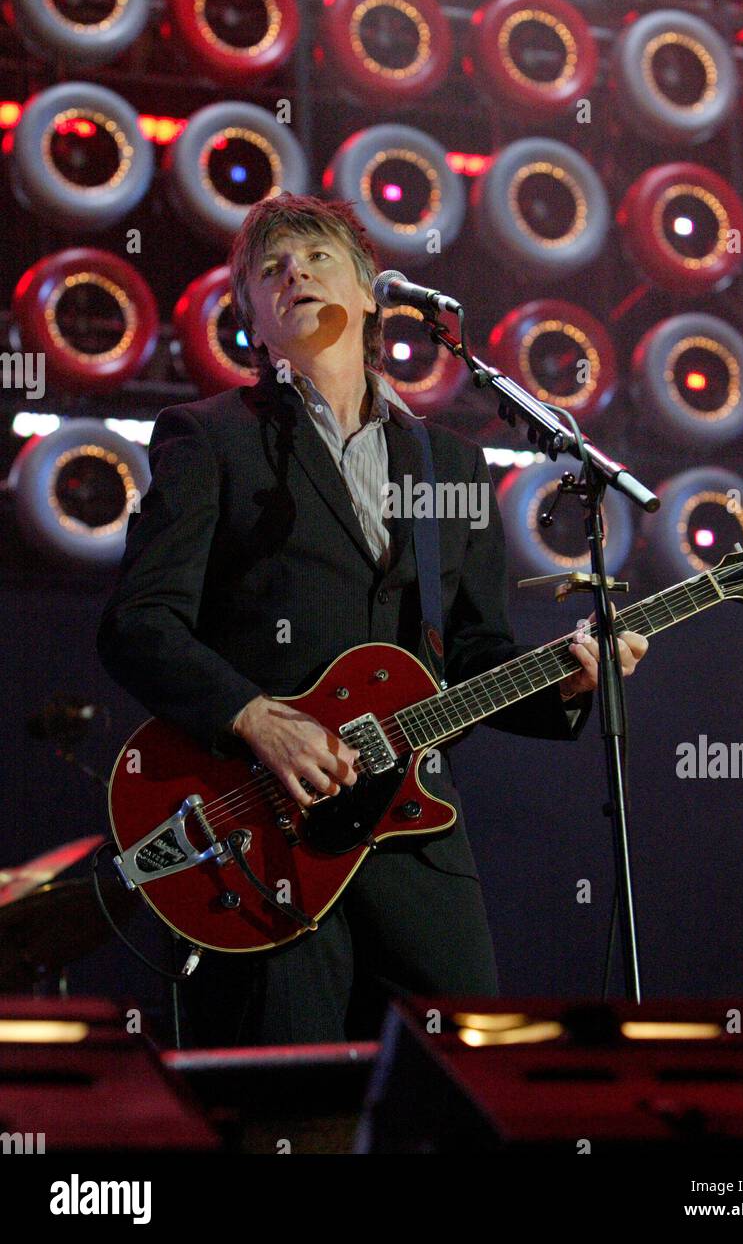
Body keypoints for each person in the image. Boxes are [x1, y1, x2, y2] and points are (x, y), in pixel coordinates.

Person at [97, 192, 649, 1046]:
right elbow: (140, 624)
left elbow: (472, 654)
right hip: (260, 833)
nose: (296, 277)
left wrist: (571, 680)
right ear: (251, 317)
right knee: (284, 1099)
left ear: (369, 295)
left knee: (465, 1083)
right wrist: (254, 718)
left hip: (413, 834)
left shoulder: (452, 463)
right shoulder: (207, 436)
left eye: (317, 259)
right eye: (270, 272)